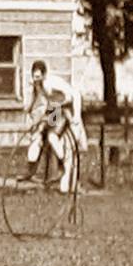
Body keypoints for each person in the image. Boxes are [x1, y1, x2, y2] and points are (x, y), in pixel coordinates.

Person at [23, 60, 84, 192]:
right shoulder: (37, 85)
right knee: (40, 133)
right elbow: (35, 100)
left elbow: (76, 95)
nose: (36, 79)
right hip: (55, 108)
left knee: (52, 136)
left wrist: (77, 116)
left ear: (44, 75)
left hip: (66, 108)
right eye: (34, 76)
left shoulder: (52, 83)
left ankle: (62, 167)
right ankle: (32, 169)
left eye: (38, 77)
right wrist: (29, 112)